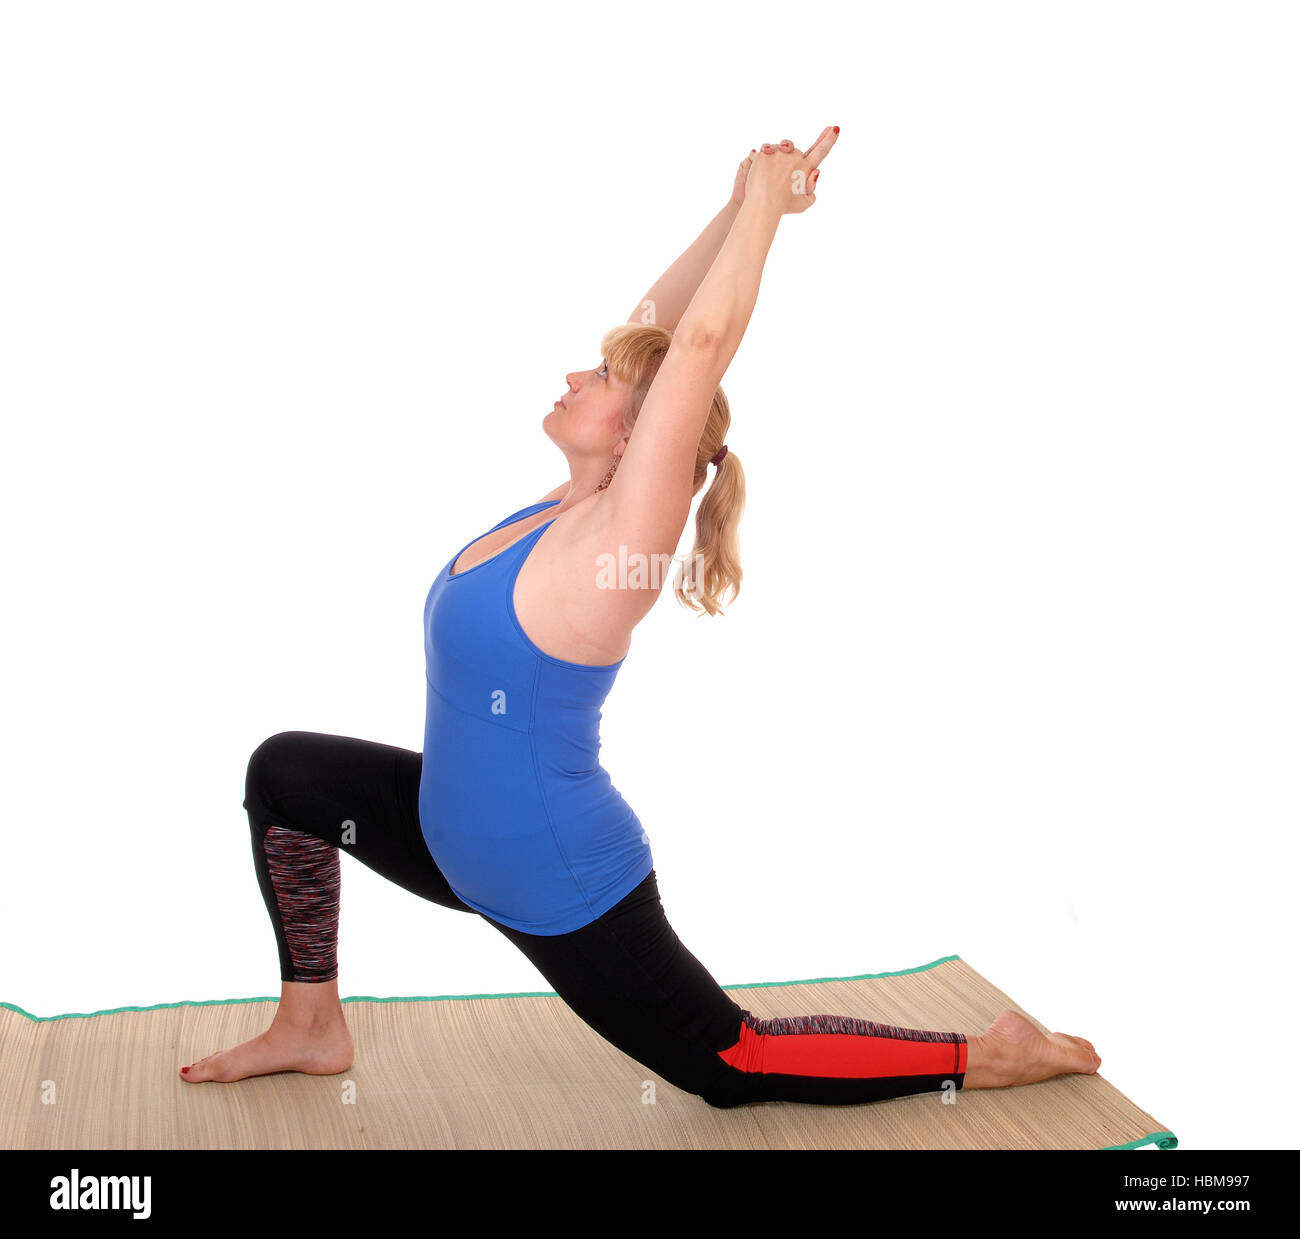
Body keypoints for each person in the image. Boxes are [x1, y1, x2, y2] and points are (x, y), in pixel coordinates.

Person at [181, 129, 1100, 1109]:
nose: (579, 376)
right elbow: (663, 327)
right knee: (284, 774)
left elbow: (694, 347)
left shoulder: (622, 537)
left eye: (607, 382)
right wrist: (739, 198)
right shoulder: (557, 508)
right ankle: (311, 1024)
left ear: (643, 437)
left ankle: (987, 1055)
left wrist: (767, 217)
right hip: (449, 836)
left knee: (730, 1062)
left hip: (555, 877)